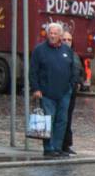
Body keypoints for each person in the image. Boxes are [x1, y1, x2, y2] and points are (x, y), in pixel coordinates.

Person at [29, 22, 79, 158]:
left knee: (62, 120)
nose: (52, 35)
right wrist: (36, 88)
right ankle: (48, 148)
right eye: (50, 33)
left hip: (64, 93)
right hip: (46, 93)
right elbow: (33, 71)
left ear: (60, 35)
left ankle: (57, 147)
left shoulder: (67, 50)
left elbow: (72, 69)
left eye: (55, 33)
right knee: (48, 121)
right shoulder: (39, 50)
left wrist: (70, 86)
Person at [59, 28, 82, 156]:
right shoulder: (58, 53)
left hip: (72, 90)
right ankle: (59, 144)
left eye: (69, 40)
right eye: (64, 39)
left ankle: (66, 144)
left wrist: (79, 82)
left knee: (68, 117)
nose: (67, 41)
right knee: (61, 118)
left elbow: (79, 70)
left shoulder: (74, 55)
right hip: (61, 89)